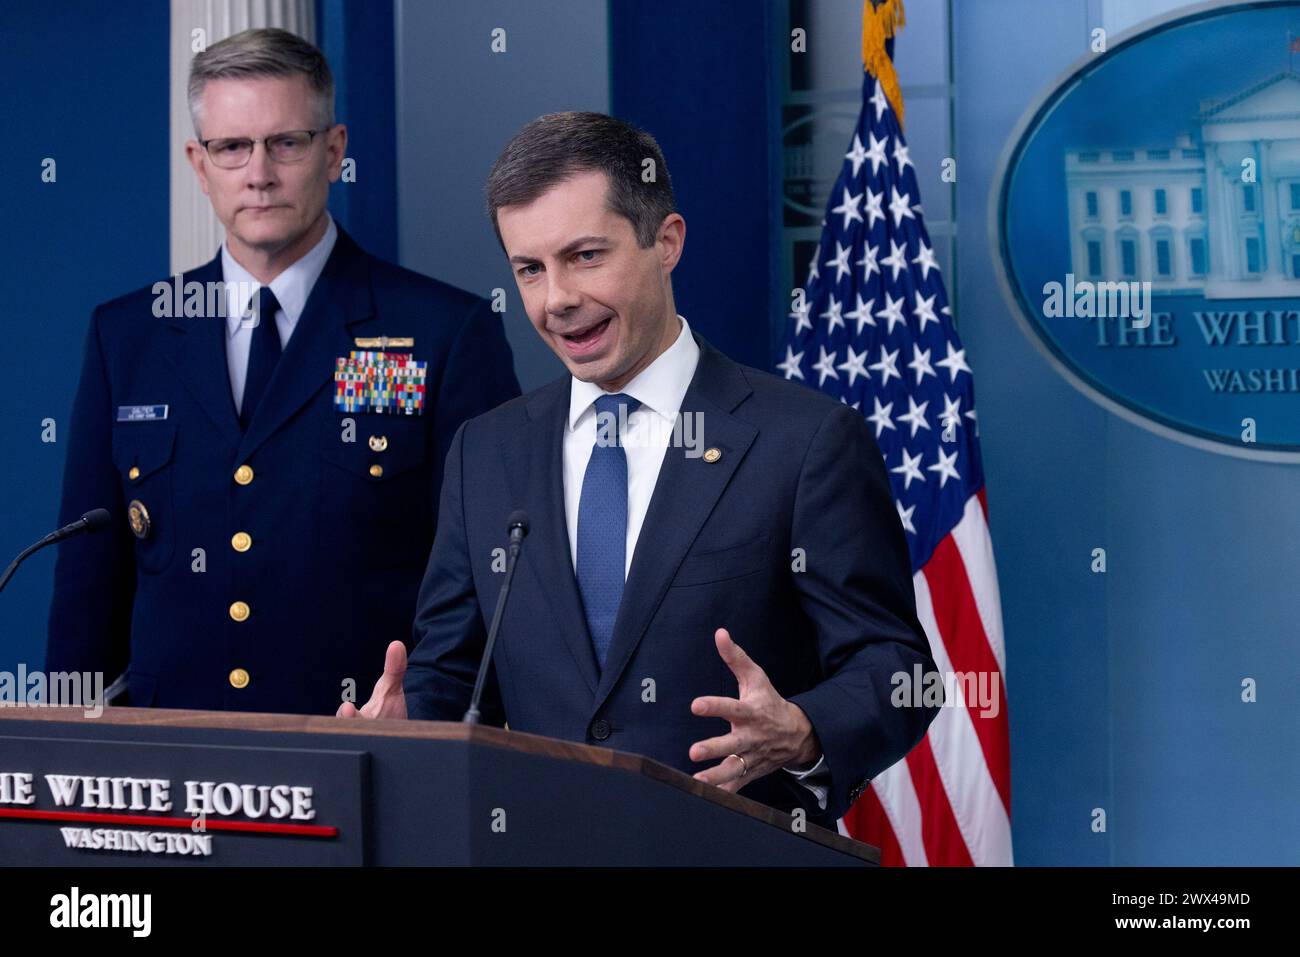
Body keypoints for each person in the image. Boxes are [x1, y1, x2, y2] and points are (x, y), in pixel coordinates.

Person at [340, 112, 938, 827]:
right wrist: (413, 724)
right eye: (530, 269)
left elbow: (899, 670)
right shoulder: (486, 453)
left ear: (666, 242)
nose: (556, 297)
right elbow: (453, 674)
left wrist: (805, 729)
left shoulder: (804, 441)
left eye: (586, 255)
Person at [46, 28, 520, 714]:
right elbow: (89, 581)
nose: (258, 172)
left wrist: (429, 710)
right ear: (197, 163)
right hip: (169, 763)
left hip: (365, 760)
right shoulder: (128, 337)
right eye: (232, 147)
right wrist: (68, 762)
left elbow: (489, 574)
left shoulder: (445, 332)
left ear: (333, 152)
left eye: (286, 143)